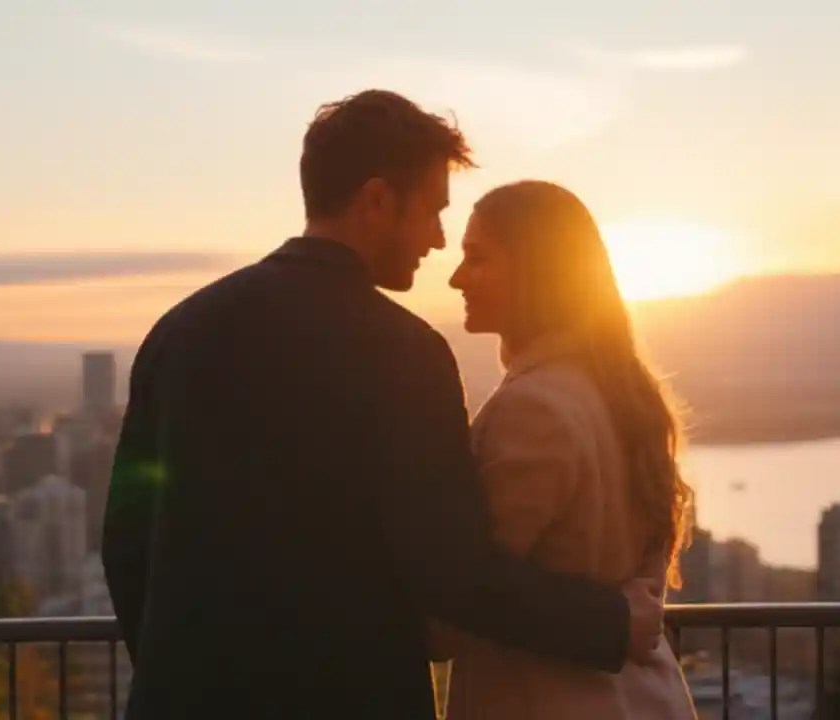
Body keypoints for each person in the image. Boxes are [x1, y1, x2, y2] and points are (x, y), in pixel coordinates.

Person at [101, 90, 665, 719]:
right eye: (431, 211)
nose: (437, 239)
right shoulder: (404, 355)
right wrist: (613, 622)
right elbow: (453, 572)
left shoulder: (179, 332)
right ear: (376, 201)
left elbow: (125, 542)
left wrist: (174, 669)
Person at [438, 180, 697, 718]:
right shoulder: (627, 399)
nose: (457, 277)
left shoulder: (533, 410)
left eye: (477, 258)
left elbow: (470, 597)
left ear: (533, 272)